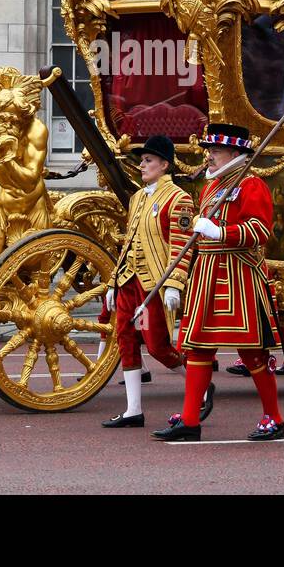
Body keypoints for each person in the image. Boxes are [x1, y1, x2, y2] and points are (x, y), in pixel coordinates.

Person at [152, 124, 284, 442]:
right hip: (207, 274)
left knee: (252, 352)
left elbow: (259, 231)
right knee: (198, 349)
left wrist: (220, 232)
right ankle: (189, 419)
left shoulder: (252, 185)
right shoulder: (212, 187)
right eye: (209, 151)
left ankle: (274, 418)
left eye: (216, 151)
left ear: (235, 154)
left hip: (239, 276)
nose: (209, 156)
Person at [102, 135, 203, 428]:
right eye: (142, 161)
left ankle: (201, 383)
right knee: (125, 340)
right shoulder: (137, 198)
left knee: (157, 345)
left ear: (164, 164)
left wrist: (174, 283)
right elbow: (128, 243)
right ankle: (133, 409)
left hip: (153, 283)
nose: (142, 166)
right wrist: (112, 282)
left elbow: (181, 245)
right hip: (128, 281)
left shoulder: (178, 198)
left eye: (148, 160)